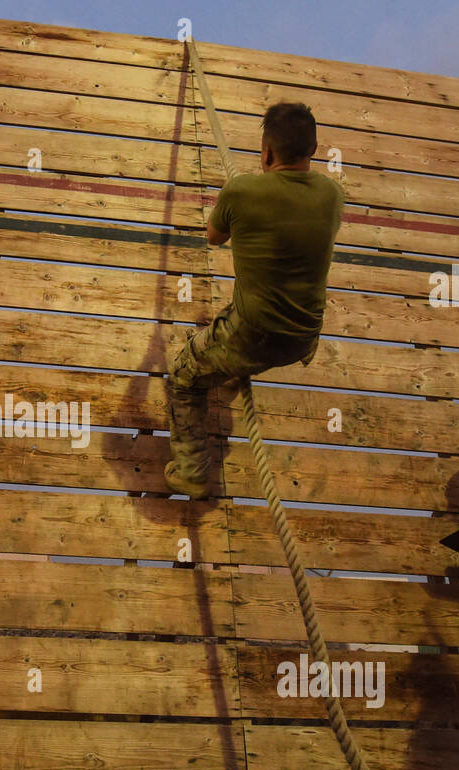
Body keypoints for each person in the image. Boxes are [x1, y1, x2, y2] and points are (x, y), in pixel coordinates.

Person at [164, 101, 343, 498]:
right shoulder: (333, 195)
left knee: (182, 376)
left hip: (253, 335)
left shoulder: (241, 190)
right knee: (242, 313)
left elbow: (213, 237)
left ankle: (193, 471)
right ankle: (230, 372)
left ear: (265, 152)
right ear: (313, 151)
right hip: (303, 338)